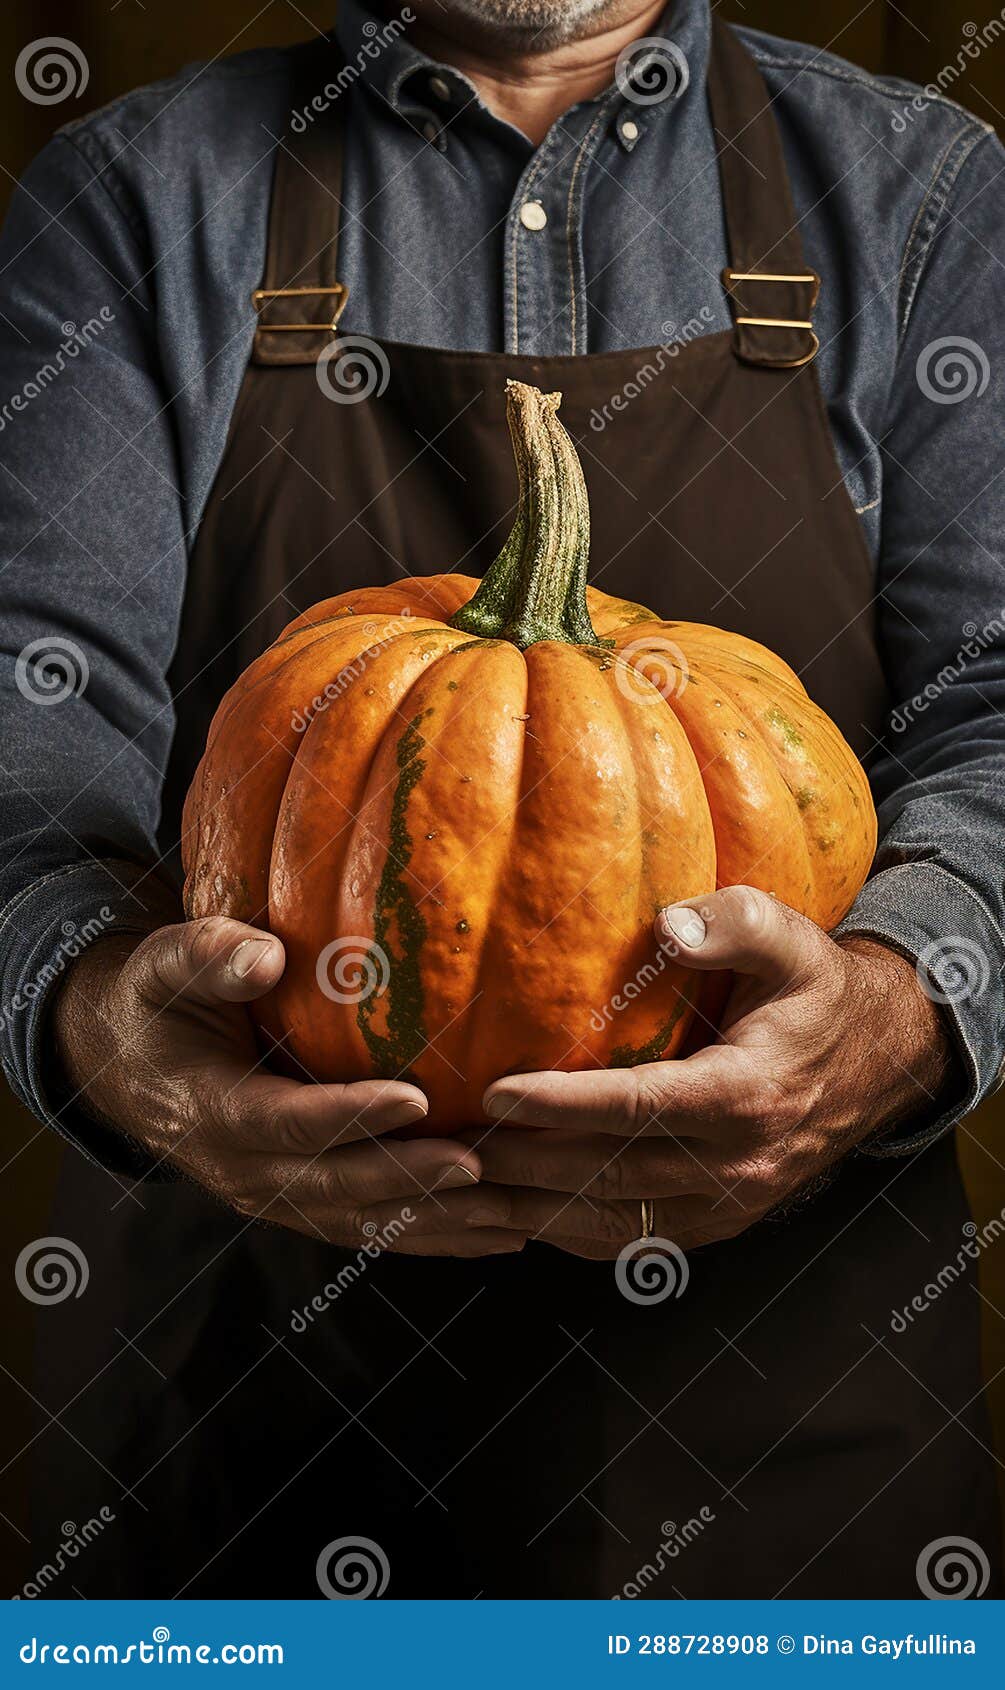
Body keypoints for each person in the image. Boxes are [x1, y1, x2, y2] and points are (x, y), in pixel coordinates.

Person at [1, 0, 1003, 1598]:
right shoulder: (137, 190)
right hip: (246, 1426)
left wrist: (887, 1014)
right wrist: (94, 1015)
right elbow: (25, 703)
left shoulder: (919, 189)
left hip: (789, 1447)